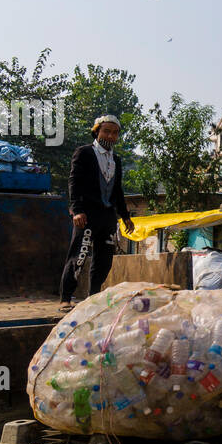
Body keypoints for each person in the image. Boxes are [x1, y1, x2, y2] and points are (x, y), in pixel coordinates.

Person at [60, 115, 134, 309]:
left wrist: (125, 216)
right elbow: (74, 181)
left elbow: (117, 190)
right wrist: (76, 210)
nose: (110, 136)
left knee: (104, 261)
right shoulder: (84, 153)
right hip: (87, 214)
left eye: (115, 133)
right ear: (97, 131)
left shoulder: (115, 160)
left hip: (107, 216)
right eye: (106, 131)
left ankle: (93, 298)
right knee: (80, 255)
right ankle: (66, 298)